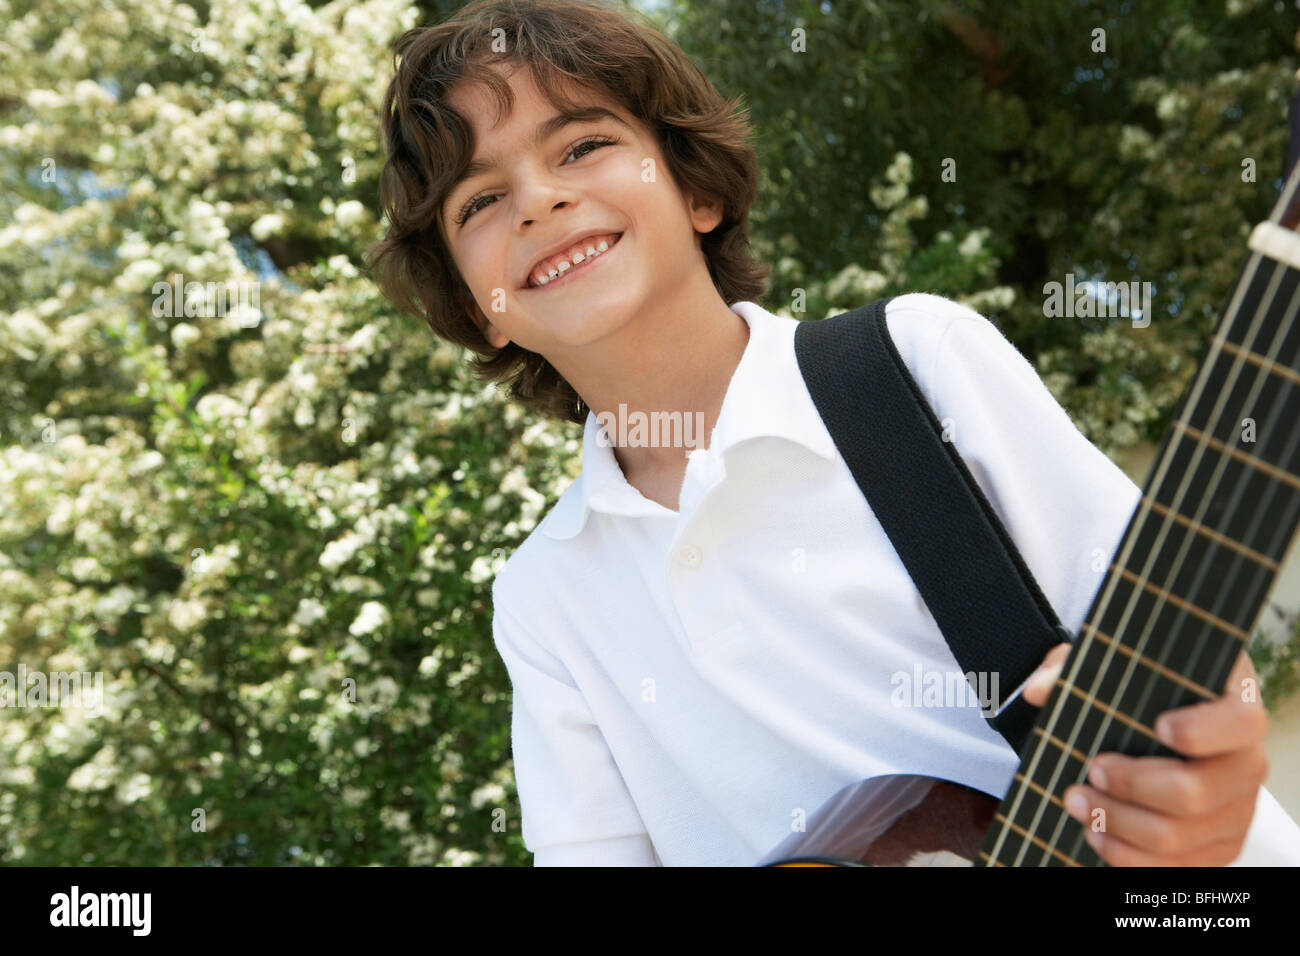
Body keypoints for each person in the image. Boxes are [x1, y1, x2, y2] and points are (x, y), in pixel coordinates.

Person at [367, 0, 1298, 866]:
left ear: (698, 192)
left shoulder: (913, 364)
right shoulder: (547, 600)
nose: (537, 200)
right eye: (479, 202)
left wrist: (1211, 766)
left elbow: (1188, 646)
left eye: (582, 146)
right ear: (476, 307)